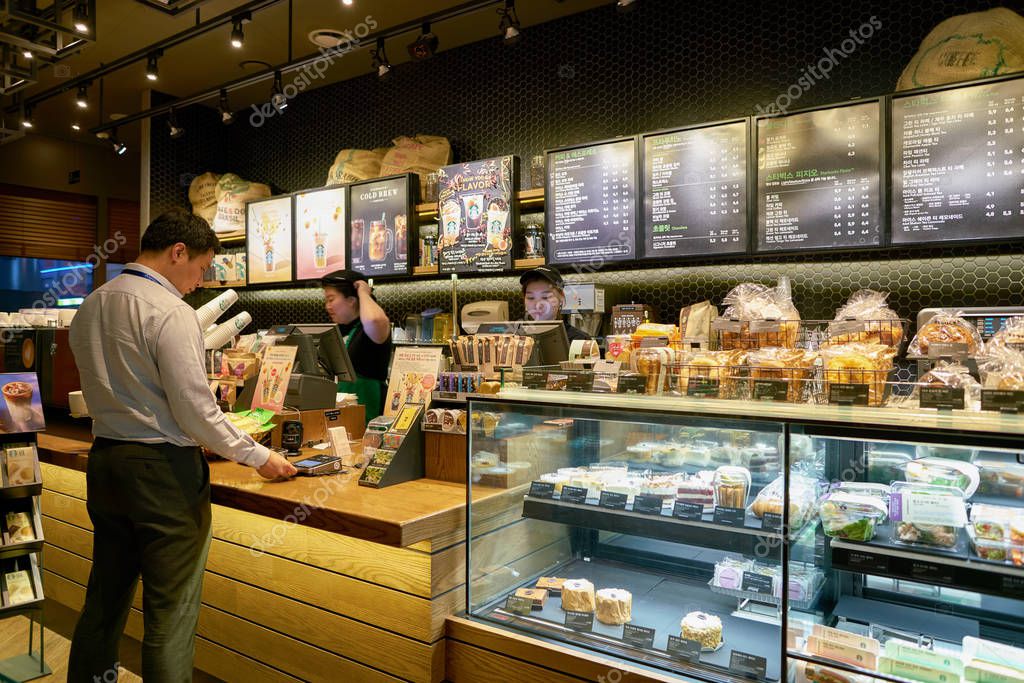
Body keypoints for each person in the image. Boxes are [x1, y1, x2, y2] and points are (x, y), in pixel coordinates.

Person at [67, 209, 296, 683]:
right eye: (200, 268)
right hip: (162, 474)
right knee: (170, 612)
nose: (200, 281)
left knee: (104, 601)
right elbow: (196, 412)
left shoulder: (93, 304)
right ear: (177, 253)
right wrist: (260, 456)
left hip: (106, 462)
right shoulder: (170, 312)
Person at [321, 269, 393, 422]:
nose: (327, 306)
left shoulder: (369, 329)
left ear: (351, 300)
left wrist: (364, 293)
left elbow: (375, 320)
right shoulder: (339, 330)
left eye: (331, 299)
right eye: (326, 300)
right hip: (342, 415)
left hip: (368, 416)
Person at [520, 265, 591, 342]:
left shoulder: (579, 340)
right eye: (530, 297)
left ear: (561, 297)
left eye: (545, 297)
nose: (538, 305)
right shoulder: (517, 339)